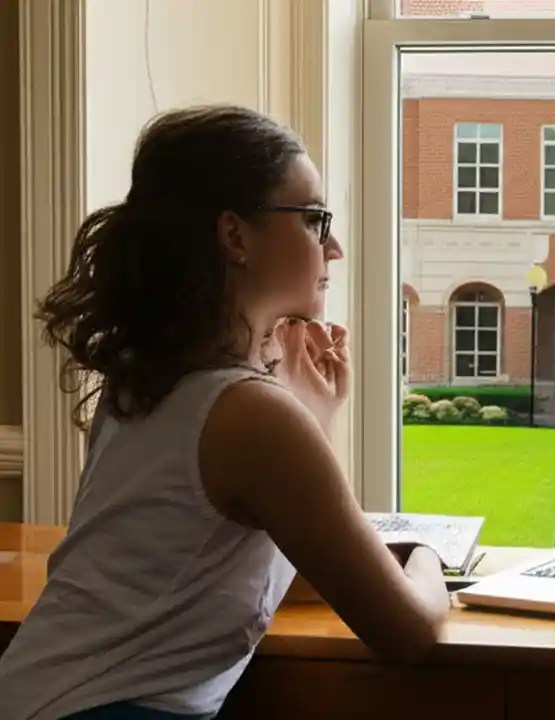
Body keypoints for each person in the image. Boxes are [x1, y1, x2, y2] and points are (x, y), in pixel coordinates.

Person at [0, 105, 451, 720]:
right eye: (316, 219)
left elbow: (266, 554)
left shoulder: (149, 380)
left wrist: (312, 416)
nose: (334, 247)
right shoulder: (252, 415)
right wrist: (429, 552)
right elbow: (408, 631)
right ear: (235, 236)